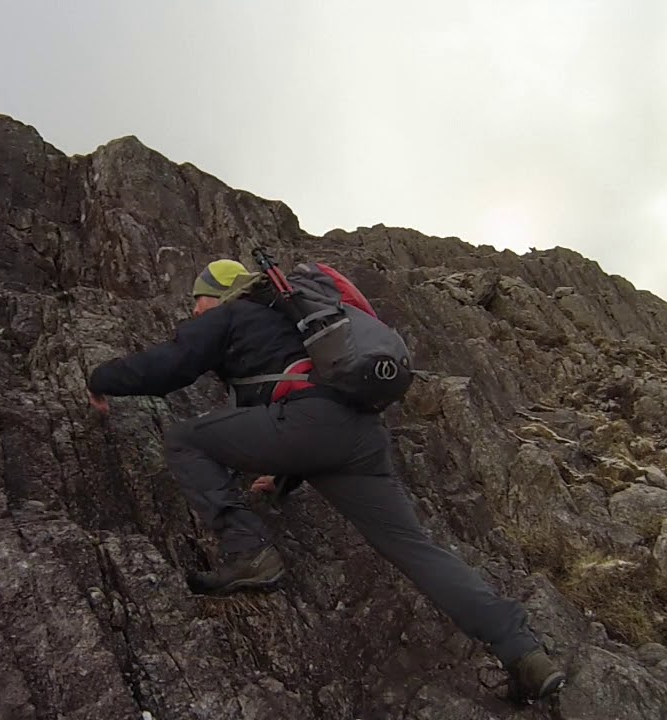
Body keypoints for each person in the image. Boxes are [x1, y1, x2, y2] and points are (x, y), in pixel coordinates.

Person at [85, 258, 567, 703]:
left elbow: (171, 366)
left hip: (310, 428)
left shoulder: (233, 315)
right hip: (361, 438)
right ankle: (523, 653)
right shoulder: (297, 323)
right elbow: (305, 391)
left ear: (224, 292)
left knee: (185, 438)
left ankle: (247, 552)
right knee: (415, 548)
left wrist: (101, 378)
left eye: (200, 296)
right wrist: (283, 479)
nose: (194, 307)